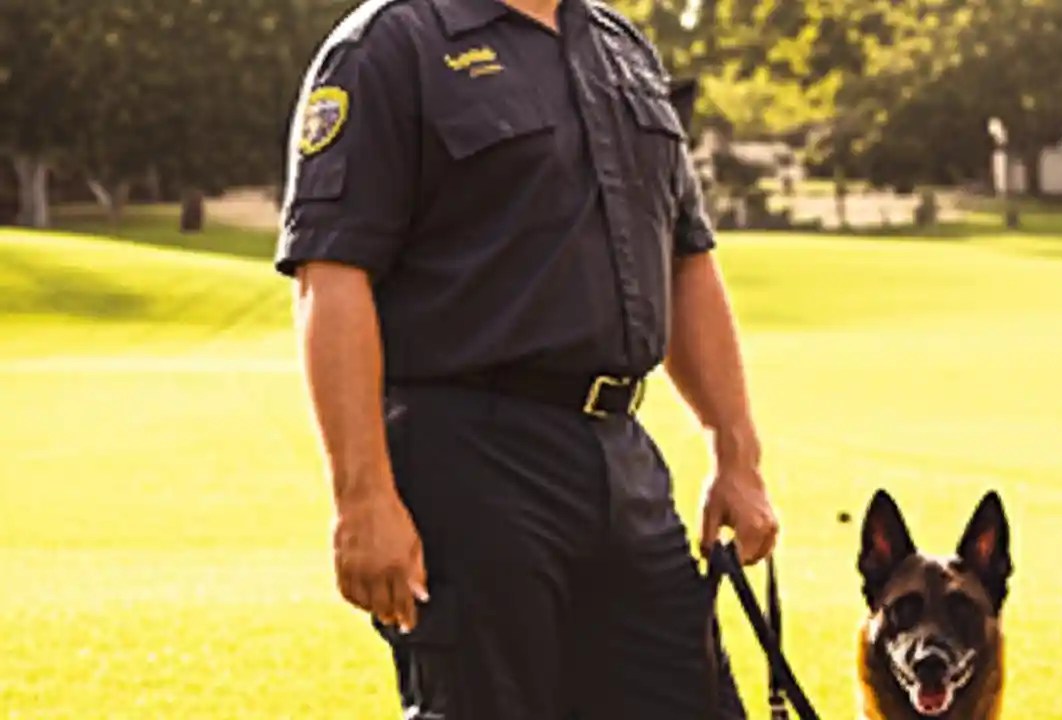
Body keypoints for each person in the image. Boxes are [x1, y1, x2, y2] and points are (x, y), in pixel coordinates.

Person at [275, 0, 778, 717]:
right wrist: (363, 499)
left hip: (622, 464)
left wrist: (737, 455)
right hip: (470, 463)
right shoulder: (389, 47)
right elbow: (332, 276)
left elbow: (685, 258)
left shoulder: (620, 46)